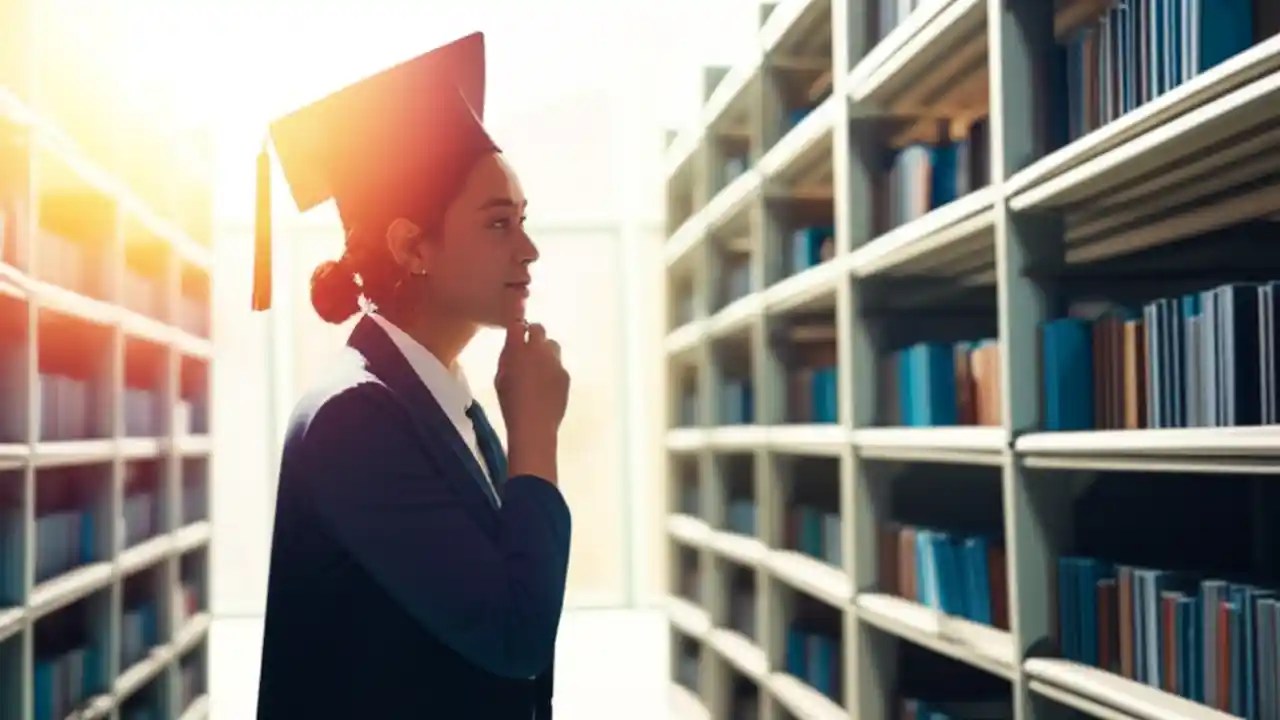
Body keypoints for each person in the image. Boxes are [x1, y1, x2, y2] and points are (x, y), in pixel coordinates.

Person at [250, 32, 572, 719]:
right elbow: (513, 632)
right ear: (410, 246)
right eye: (497, 224)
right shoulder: (353, 417)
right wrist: (537, 435)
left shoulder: (444, 395)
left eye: (523, 221)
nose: (530, 249)